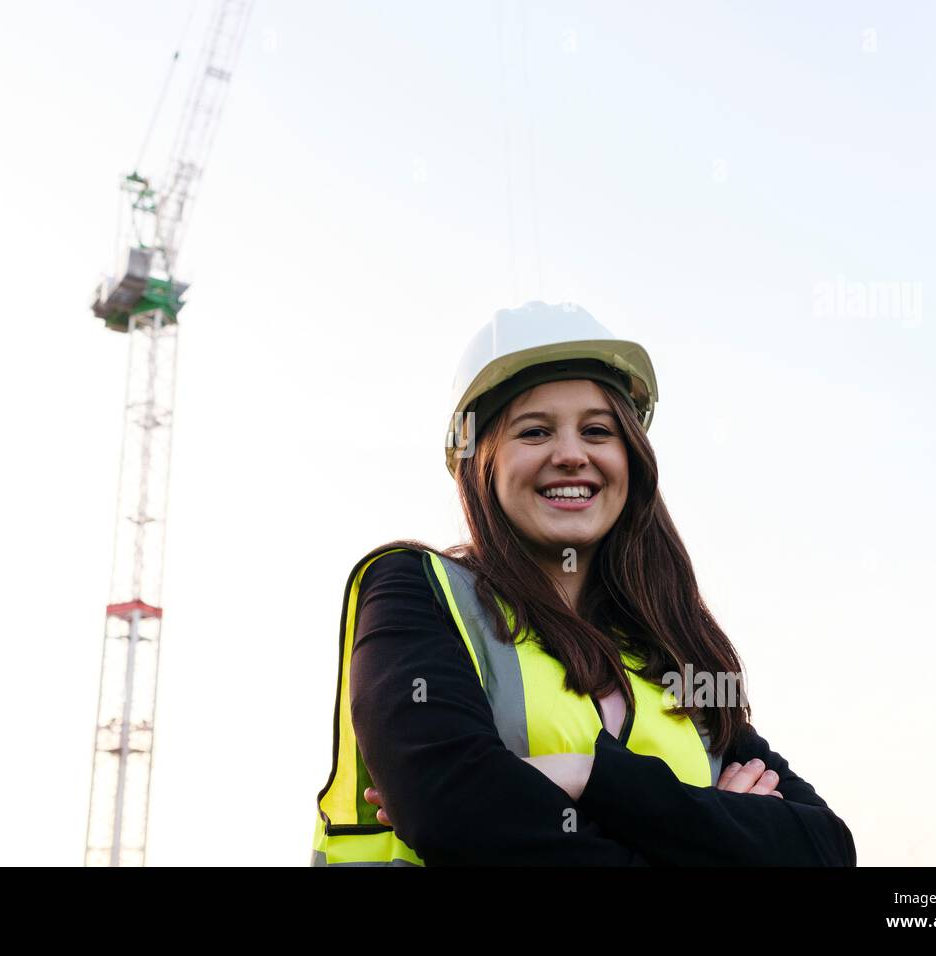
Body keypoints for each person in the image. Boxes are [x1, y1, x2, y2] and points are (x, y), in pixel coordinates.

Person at [311, 301, 856, 866]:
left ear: (630, 457)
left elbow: (825, 850)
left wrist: (585, 773)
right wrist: (712, 834)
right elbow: (453, 811)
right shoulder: (415, 592)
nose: (571, 455)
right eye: (535, 431)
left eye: (597, 430)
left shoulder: (669, 650)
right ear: (484, 462)